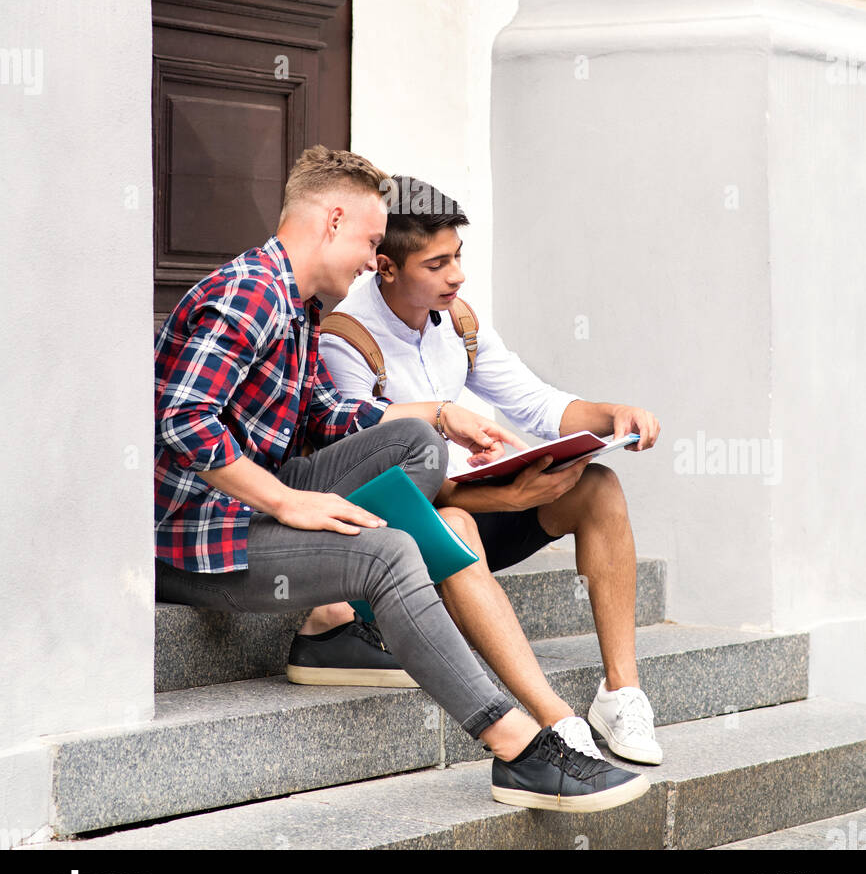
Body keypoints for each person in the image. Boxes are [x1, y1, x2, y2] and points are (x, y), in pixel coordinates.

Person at [153, 146, 650, 812]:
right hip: (200, 539)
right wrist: (287, 502)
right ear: (332, 220)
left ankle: (333, 629)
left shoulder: (292, 301)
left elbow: (326, 414)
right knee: (391, 554)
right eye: (366, 239)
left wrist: (441, 416)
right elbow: (183, 422)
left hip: (253, 508)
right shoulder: (248, 293)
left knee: (416, 444)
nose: (368, 258)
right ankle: (522, 751)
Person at [317, 175, 664, 765]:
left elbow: (538, 403)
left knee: (598, 487)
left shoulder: (458, 321)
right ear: (386, 267)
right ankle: (552, 718)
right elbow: (381, 489)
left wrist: (612, 414)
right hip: (404, 536)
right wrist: (504, 499)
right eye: (438, 263)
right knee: (455, 522)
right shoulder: (344, 341)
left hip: (472, 500)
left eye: (458, 258)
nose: (457, 275)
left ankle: (620, 691)